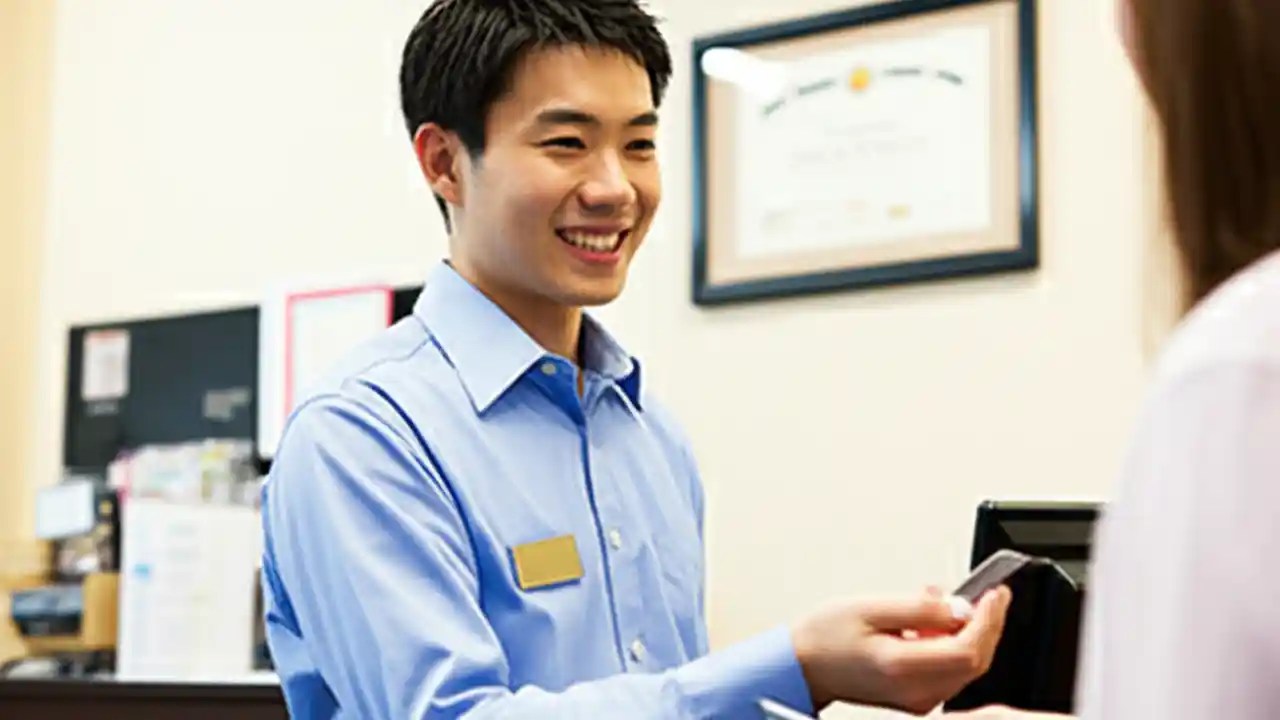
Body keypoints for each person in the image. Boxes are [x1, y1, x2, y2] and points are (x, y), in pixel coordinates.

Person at [258, 1, 1013, 718]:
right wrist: (799, 666)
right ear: (444, 162)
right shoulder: (358, 439)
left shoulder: (649, 431)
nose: (616, 188)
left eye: (640, 144)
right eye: (567, 144)